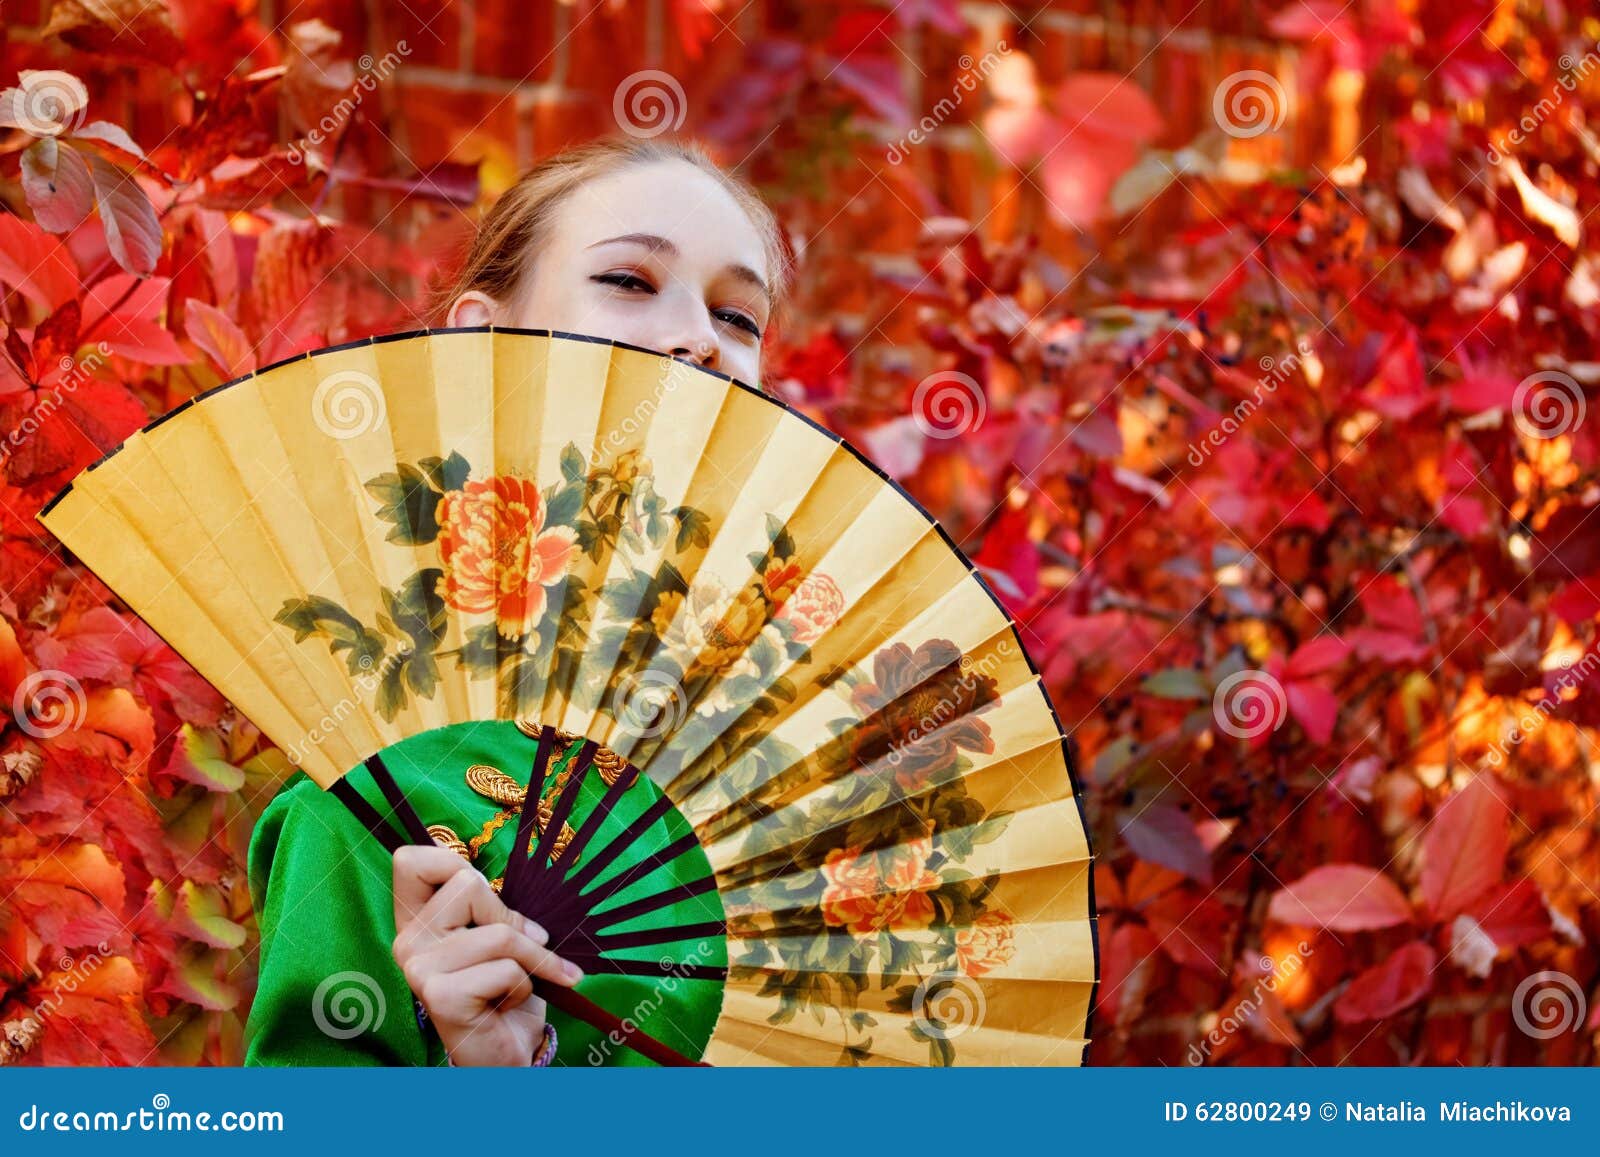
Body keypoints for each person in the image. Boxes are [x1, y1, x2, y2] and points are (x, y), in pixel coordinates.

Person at [244, 136, 792, 1068]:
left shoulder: (814, 759)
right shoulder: (379, 796)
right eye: (628, 280)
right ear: (484, 342)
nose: (701, 337)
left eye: (739, 316)